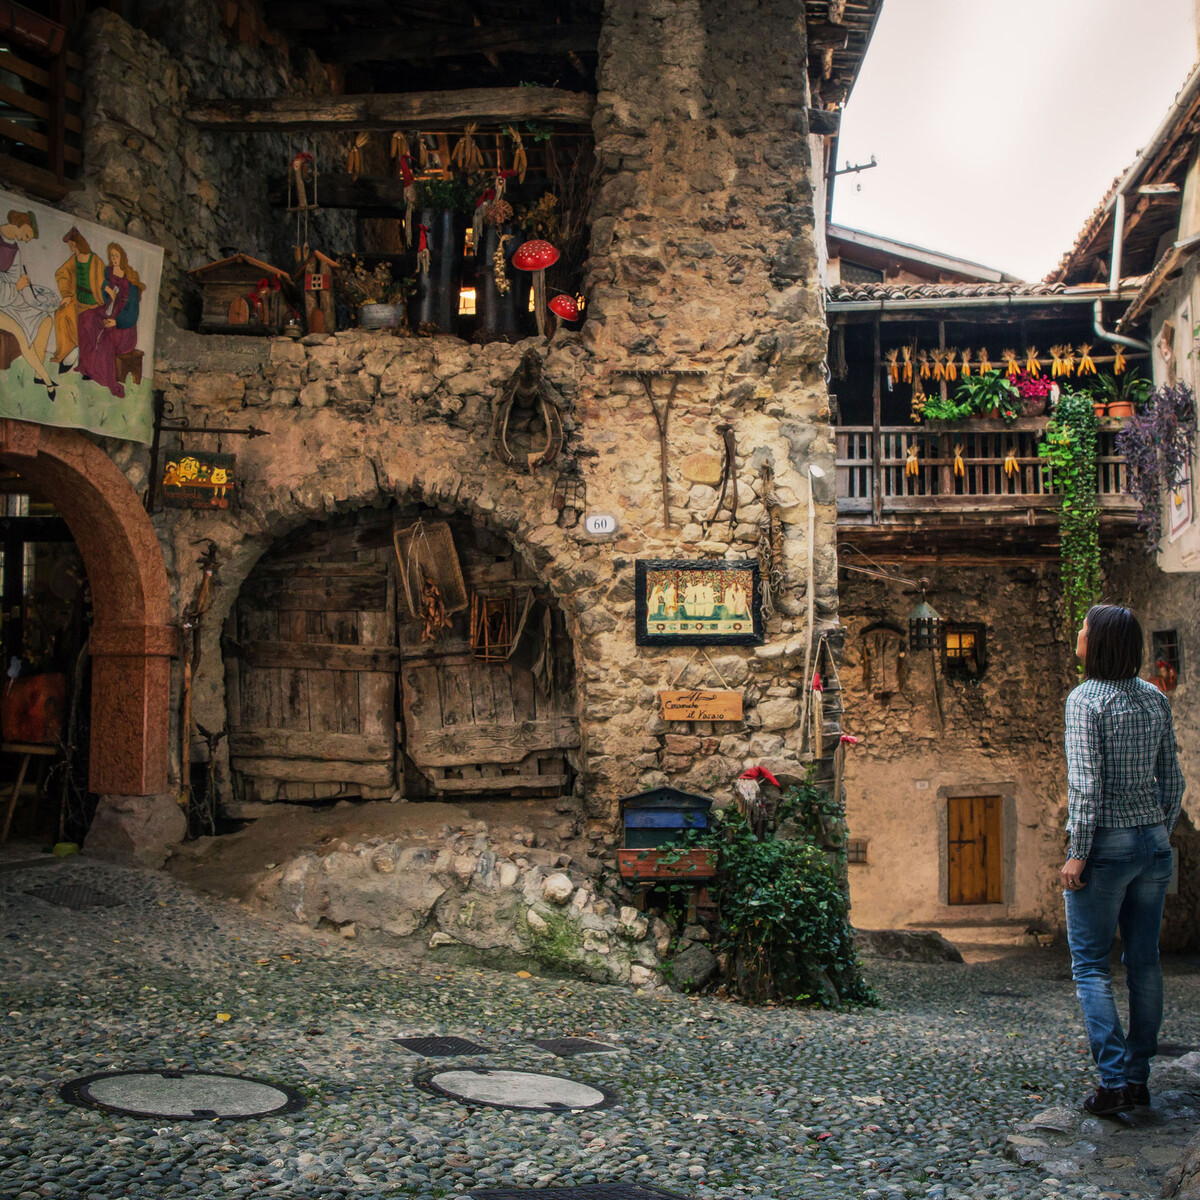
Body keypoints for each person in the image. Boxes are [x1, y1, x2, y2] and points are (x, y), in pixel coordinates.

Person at [1062, 604, 1184, 1116]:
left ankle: (1112, 1082)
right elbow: (1173, 781)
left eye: (1085, 627)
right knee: (1145, 962)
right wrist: (1158, 833)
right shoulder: (1155, 698)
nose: (1079, 631)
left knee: (1090, 965)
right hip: (1153, 842)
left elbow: (1086, 788)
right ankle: (1138, 1079)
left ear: (1100, 642)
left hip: (1106, 846)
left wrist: (1077, 854)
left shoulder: (1085, 701)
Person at [0, 210, 59, 397]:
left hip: (10, 299)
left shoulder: (14, 249)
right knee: (21, 333)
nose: (26, 240)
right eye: (27, 235)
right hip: (2, 300)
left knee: (46, 320)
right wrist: (15, 287)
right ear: (20, 223)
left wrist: (27, 290)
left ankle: (37, 375)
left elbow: (14, 278)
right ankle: (47, 380)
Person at [77, 242, 144, 399]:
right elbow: (106, 286)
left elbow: (133, 311)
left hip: (124, 322)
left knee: (108, 337)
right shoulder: (109, 271)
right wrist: (106, 288)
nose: (114, 259)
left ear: (122, 257)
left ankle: (105, 377)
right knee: (85, 319)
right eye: (111, 256)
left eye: (116, 255)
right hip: (109, 309)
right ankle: (87, 368)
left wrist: (117, 322)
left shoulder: (131, 278)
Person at [53, 226, 104, 368]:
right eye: (71, 246)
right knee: (61, 314)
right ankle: (65, 352)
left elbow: (103, 284)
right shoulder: (74, 259)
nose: (72, 248)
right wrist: (67, 295)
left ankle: (80, 357)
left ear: (79, 244)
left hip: (93, 303)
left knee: (86, 324)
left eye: (73, 245)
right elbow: (61, 273)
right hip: (77, 299)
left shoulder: (95, 261)